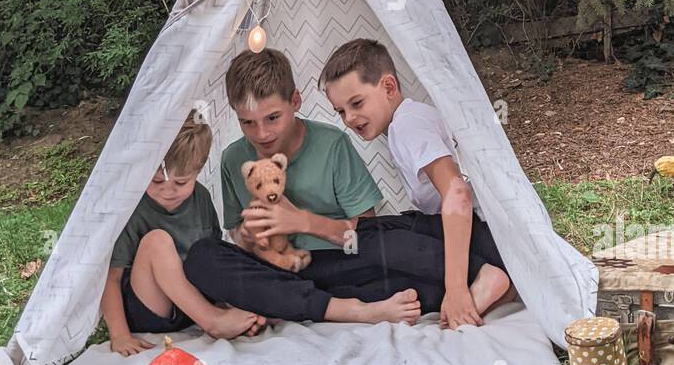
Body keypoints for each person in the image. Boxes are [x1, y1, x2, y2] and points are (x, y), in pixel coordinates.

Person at [182, 48, 462, 323]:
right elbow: (237, 236)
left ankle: (303, 305)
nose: (262, 134)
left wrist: (302, 221)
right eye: (248, 123)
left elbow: (366, 236)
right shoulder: (233, 159)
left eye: (272, 118)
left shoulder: (332, 143)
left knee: (403, 249)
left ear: (295, 101)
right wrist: (248, 237)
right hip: (277, 270)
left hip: (339, 263)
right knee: (202, 257)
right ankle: (348, 309)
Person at [320, 38, 514, 329]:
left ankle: (478, 280)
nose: (349, 118)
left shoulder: (407, 124)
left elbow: (457, 193)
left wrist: (456, 288)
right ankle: (491, 287)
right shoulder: (410, 120)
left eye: (356, 103)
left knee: (370, 234)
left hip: (485, 234)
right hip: (493, 240)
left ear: (388, 87)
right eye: (340, 111)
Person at [100, 112, 266, 356]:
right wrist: (120, 335)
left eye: (180, 183)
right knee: (157, 241)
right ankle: (212, 321)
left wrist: (229, 305)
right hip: (152, 309)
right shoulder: (133, 208)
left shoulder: (201, 198)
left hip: (190, 308)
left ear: (198, 171)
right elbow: (111, 278)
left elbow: (212, 259)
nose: (168, 191)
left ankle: (224, 314)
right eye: (156, 181)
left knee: (212, 254)